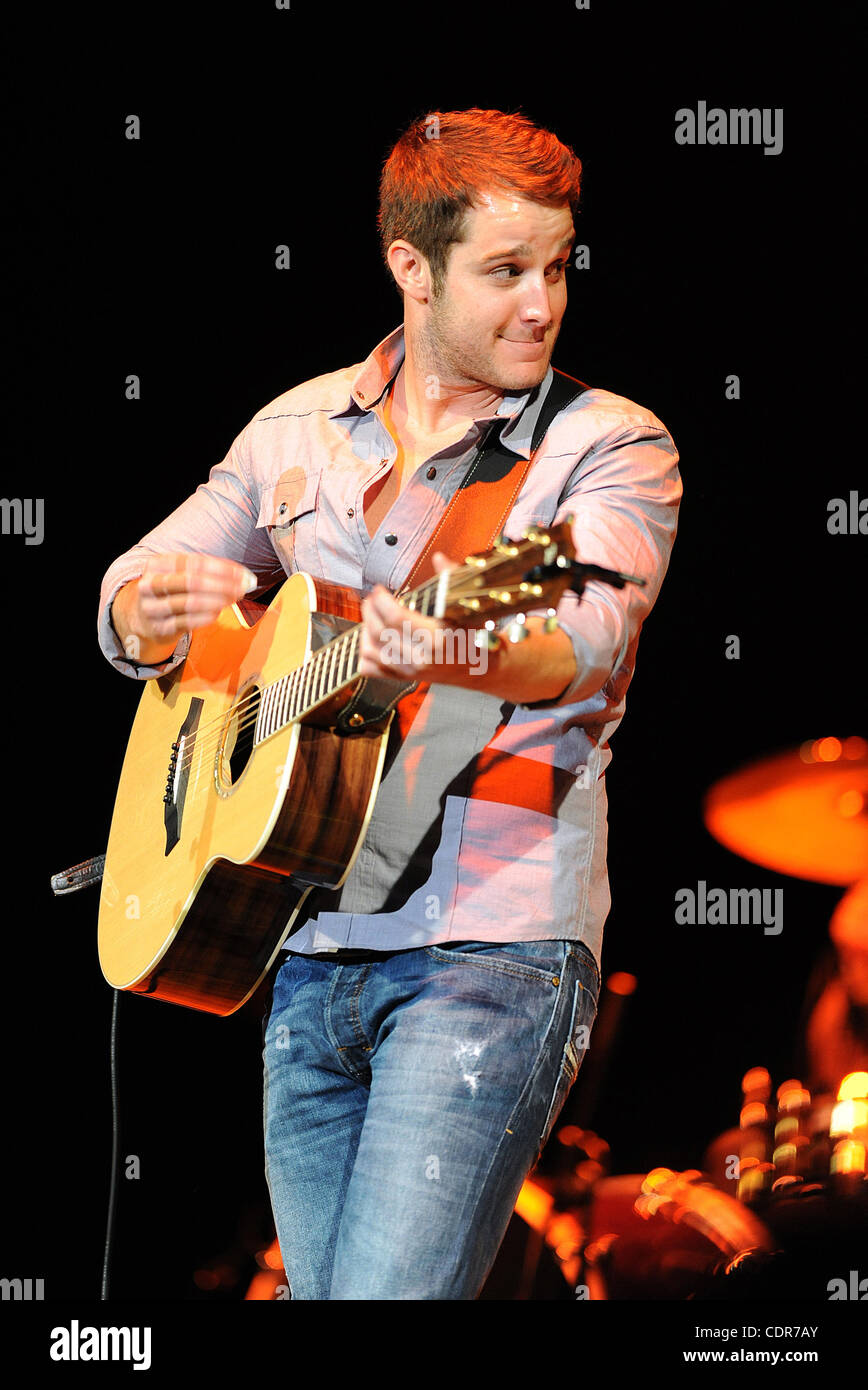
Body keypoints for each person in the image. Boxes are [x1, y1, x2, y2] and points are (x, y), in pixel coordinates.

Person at [98, 107, 682, 1299]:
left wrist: (456, 645)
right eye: (505, 271)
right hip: (302, 945)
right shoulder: (294, 430)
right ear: (410, 268)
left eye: (557, 266)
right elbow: (131, 581)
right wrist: (139, 613)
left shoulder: (611, 444)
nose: (543, 302)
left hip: (490, 947)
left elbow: (579, 636)